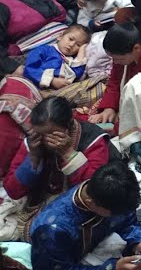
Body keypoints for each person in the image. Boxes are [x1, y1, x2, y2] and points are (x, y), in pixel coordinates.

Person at [2, 96, 115, 239]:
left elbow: (94, 191)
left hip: (80, 205)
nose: (45, 140)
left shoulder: (93, 140)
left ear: (69, 125)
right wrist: (34, 157)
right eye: (40, 134)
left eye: (52, 135)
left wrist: (68, 153)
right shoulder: (34, 141)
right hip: (39, 201)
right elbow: (12, 191)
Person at [29, 161, 141, 270]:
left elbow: (127, 222)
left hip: (106, 251)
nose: (119, 215)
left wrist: (138, 242)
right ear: (91, 203)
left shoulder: (111, 194)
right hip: (74, 264)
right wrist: (112, 268)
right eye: (114, 213)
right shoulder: (52, 230)